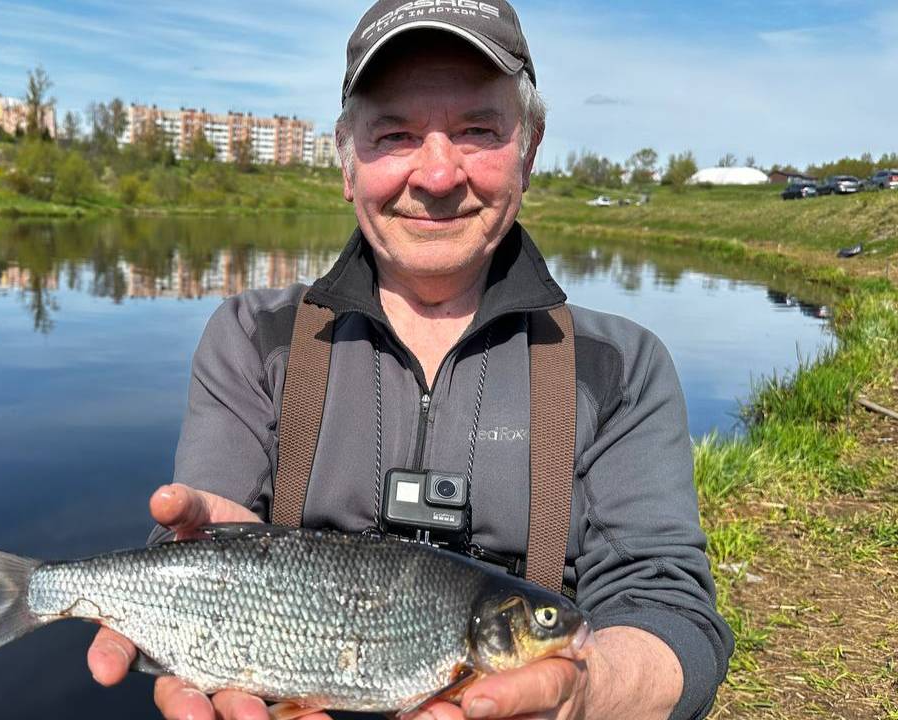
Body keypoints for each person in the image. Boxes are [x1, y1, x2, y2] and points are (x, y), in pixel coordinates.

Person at [89, 2, 734, 718]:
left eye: (477, 131)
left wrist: (584, 693)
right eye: (395, 134)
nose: (435, 174)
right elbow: (191, 533)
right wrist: (203, 562)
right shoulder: (252, 337)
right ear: (346, 157)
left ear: (530, 149)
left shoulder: (620, 368)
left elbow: (675, 618)